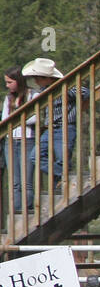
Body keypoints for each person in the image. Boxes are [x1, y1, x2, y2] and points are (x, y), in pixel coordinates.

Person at [21, 57, 86, 208]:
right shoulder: (44, 91)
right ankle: (64, 178)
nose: (35, 81)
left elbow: (84, 92)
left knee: (63, 160)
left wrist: (77, 110)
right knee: (35, 156)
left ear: (46, 78)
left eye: (37, 78)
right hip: (49, 129)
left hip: (65, 127)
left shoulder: (66, 87)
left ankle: (65, 181)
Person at [2, 65, 30, 212]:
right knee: (15, 180)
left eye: (10, 82)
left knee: (26, 179)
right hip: (10, 140)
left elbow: (35, 119)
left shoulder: (32, 95)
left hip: (27, 139)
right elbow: (4, 119)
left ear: (18, 81)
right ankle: (17, 209)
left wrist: (18, 116)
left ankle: (28, 207)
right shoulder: (9, 99)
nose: (7, 86)